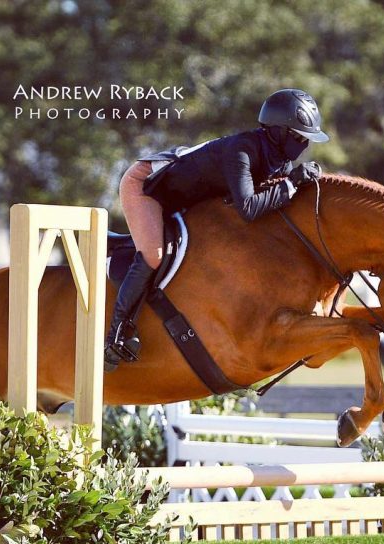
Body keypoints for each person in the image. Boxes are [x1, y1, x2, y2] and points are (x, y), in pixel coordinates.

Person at [105, 88, 330, 371]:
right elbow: (248, 208)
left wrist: (300, 184)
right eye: (299, 137)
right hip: (147, 186)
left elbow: (271, 203)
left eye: (306, 139)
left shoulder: (280, 158)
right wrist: (292, 183)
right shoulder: (243, 150)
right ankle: (117, 334)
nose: (303, 145)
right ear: (278, 131)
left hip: (184, 197)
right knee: (155, 255)